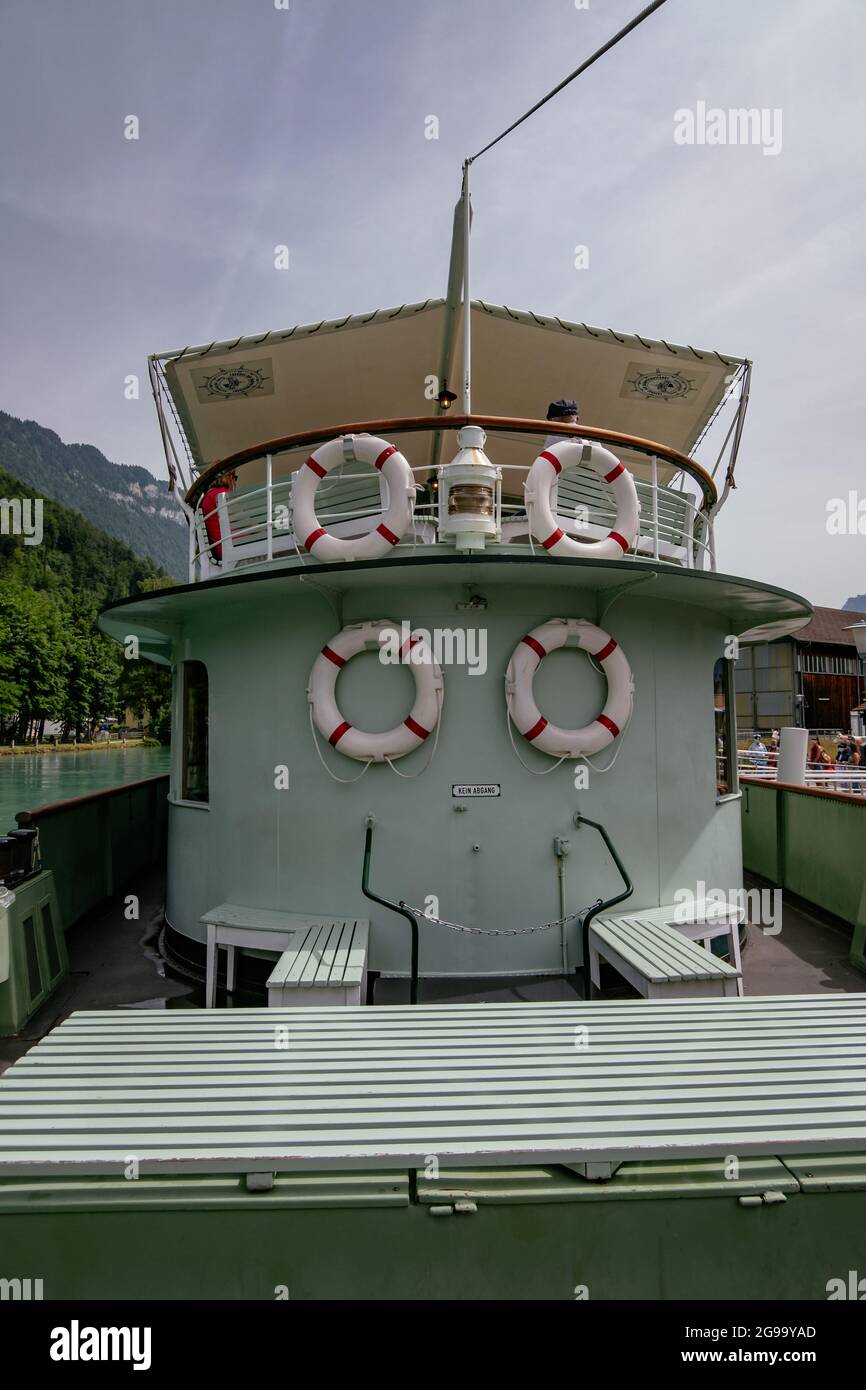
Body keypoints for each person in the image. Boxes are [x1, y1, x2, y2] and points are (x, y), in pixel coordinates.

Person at [200, 470, 238, 563]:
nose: (235, 482)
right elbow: (242, 519)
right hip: (235, 546)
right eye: (235, 478)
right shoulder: (222, 494)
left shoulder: (209, 495)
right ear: (229, 477)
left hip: (223, 547)